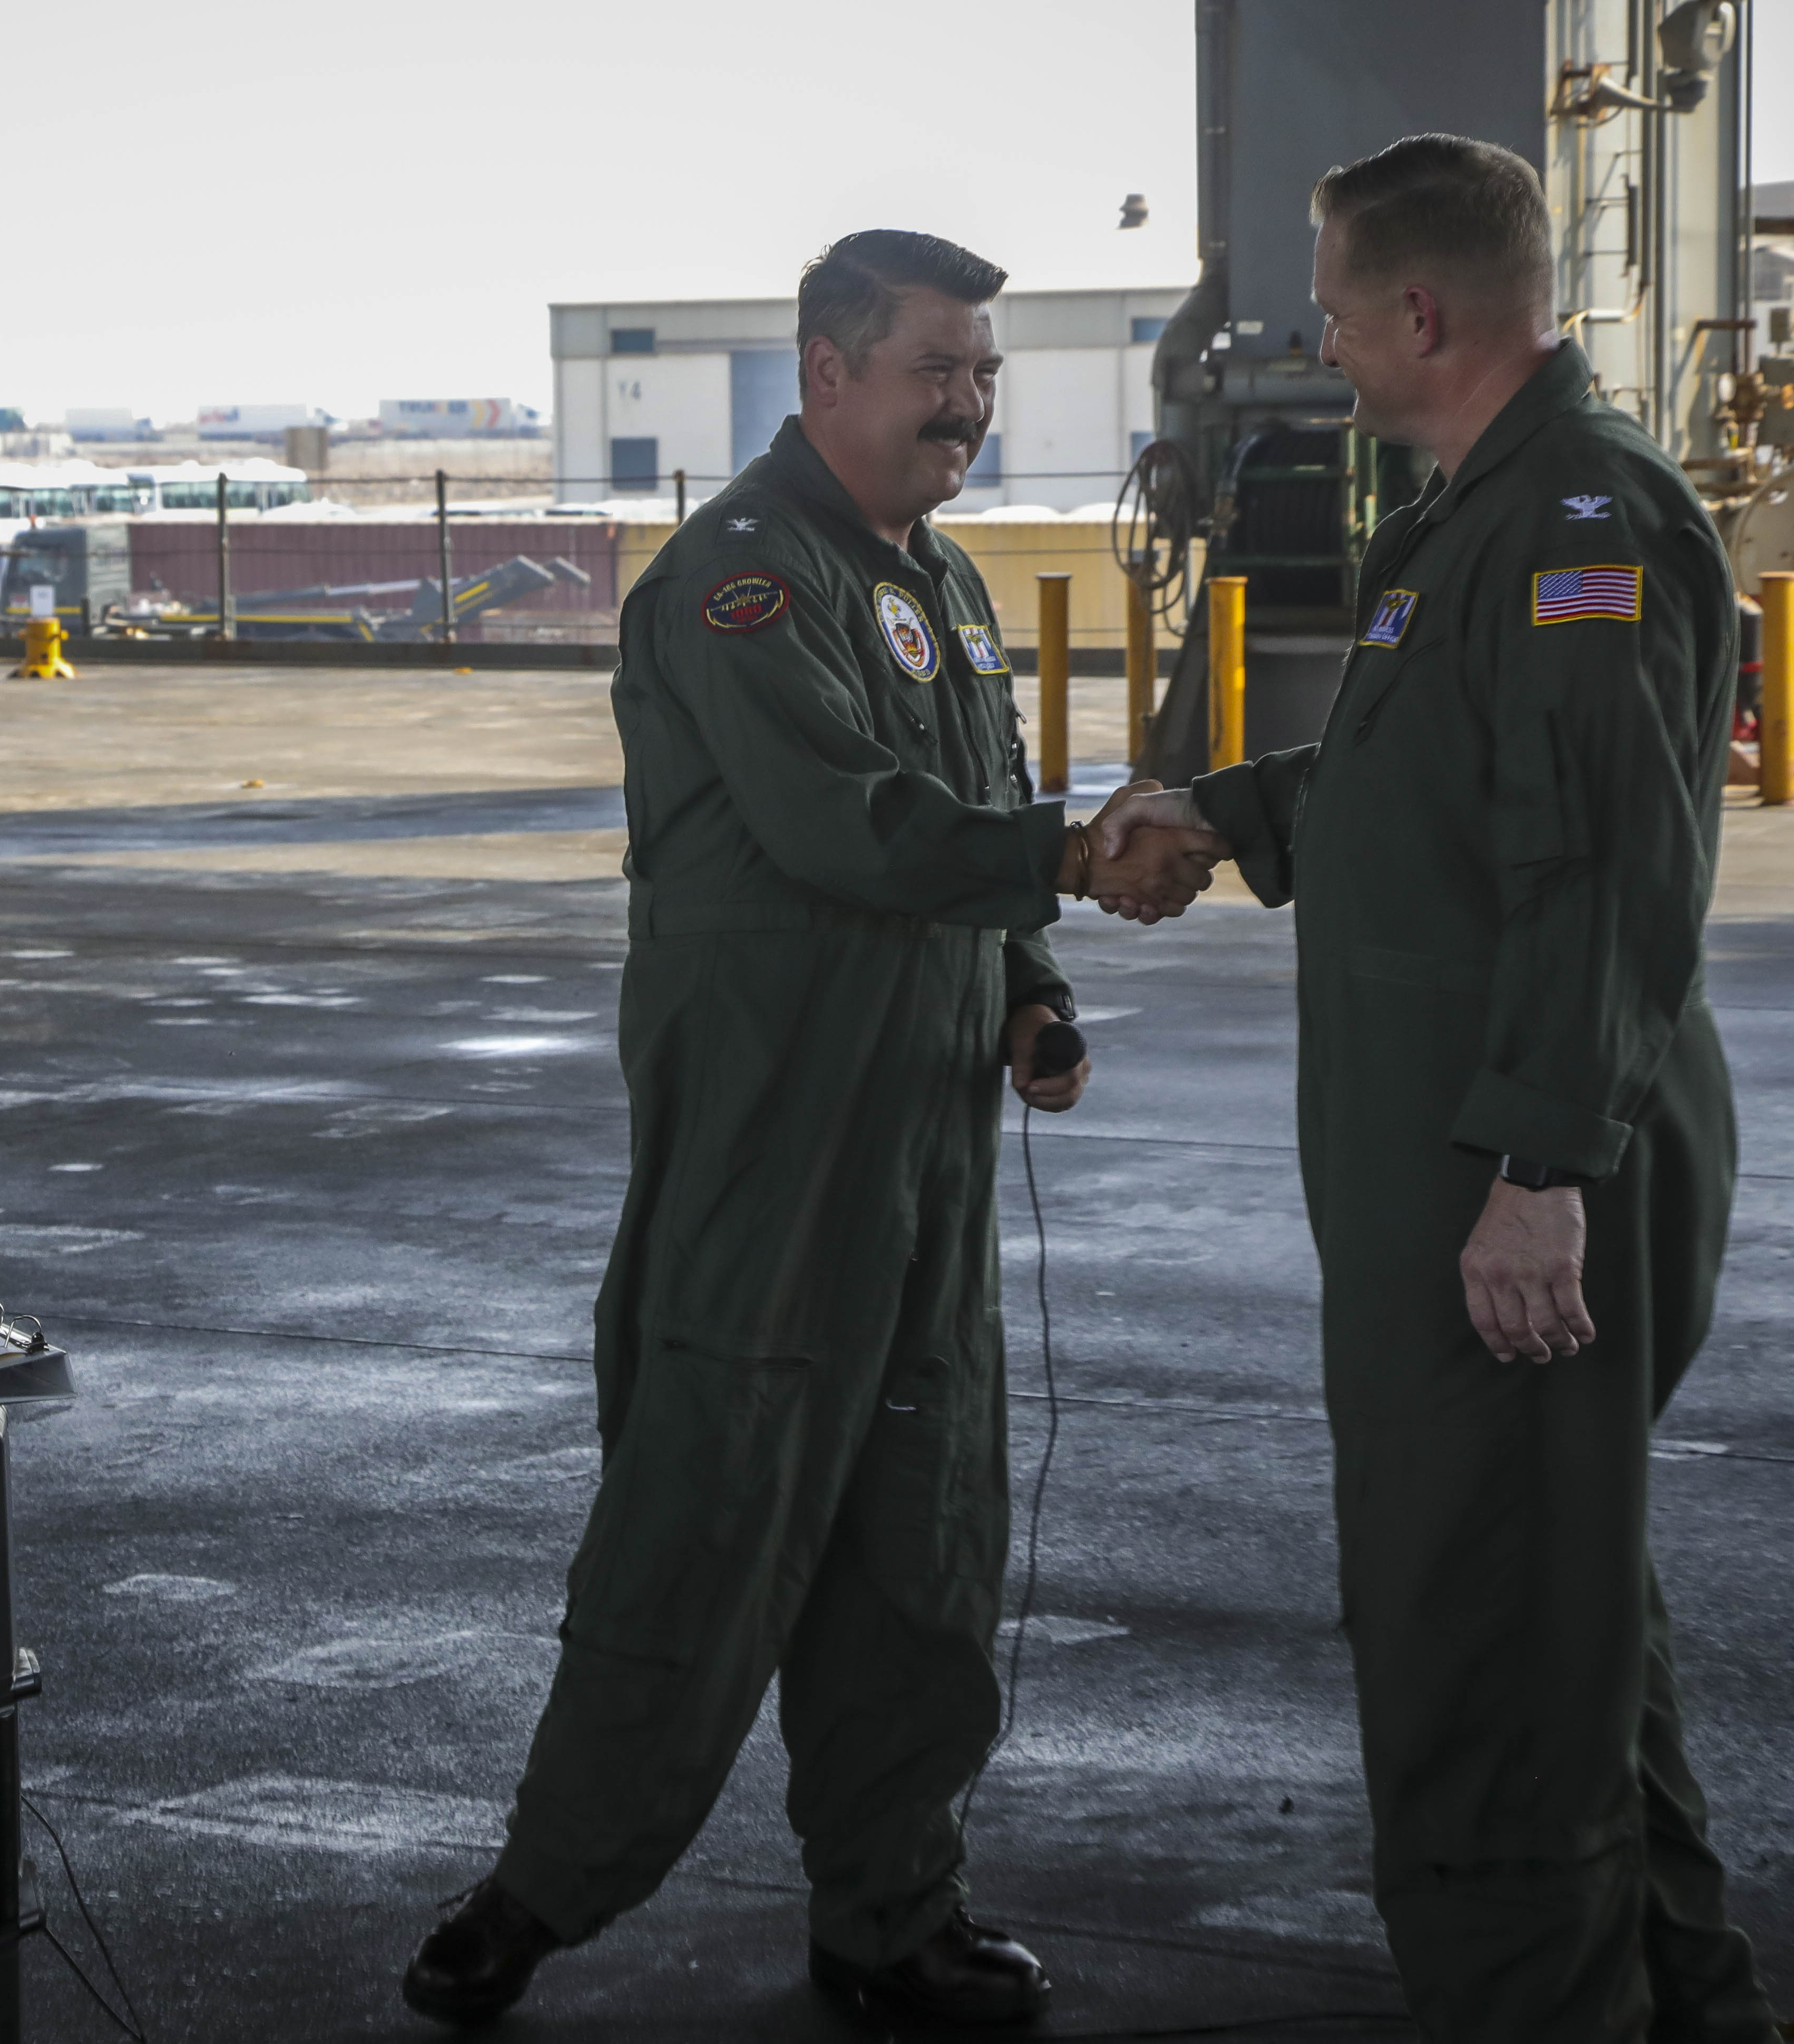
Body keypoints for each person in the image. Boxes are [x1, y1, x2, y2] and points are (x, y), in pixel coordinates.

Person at [400, 229, 1221, 2029]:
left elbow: (974, 807)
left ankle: (890, 1914)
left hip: (925, 1153)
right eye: (937, 370)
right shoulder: (742, 580)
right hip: (774, 1156)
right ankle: (537, 1893)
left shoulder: (949, 584)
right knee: (698, 1538)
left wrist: (1030, 993)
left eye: (985, 373)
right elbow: (845, 822)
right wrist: (1073, 855)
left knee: (922, 1554)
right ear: (826, 372)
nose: (970, 405)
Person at [1100, 136, 1783, 2042]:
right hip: (1468, 1166)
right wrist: (1218, 814)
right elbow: (1424, 790)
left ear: (1418, 312)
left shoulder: (1579, 523)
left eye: (1333, 314)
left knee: (1481, 1630)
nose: (1322, 348)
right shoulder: (1475, 513)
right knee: (1558, 1604)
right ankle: (1681, 2000)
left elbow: (1604, 864)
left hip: (1523, 1170)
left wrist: (1540, 1168)